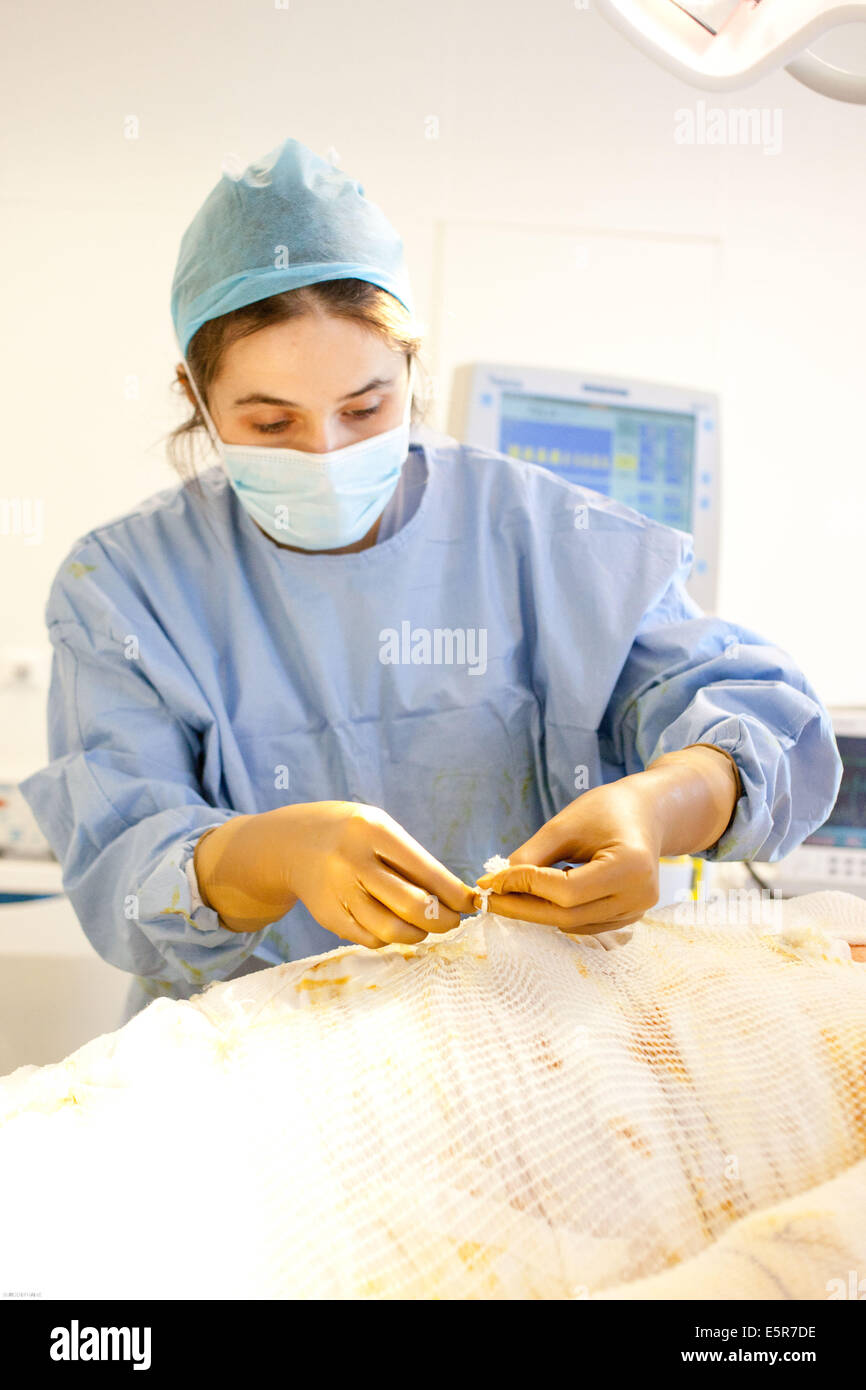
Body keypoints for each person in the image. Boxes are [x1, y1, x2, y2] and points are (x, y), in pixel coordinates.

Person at [20, 137, 843, 1023]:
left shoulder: (540, 534)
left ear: (412, 366)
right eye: (271, 420)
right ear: (197, 396)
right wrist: (277, 852)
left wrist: (661, 807)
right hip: (248, 1074)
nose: (327, 453)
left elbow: (756, 716)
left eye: (365, 407)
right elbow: (123, 870)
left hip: (531, 1045)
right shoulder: (126, 587)